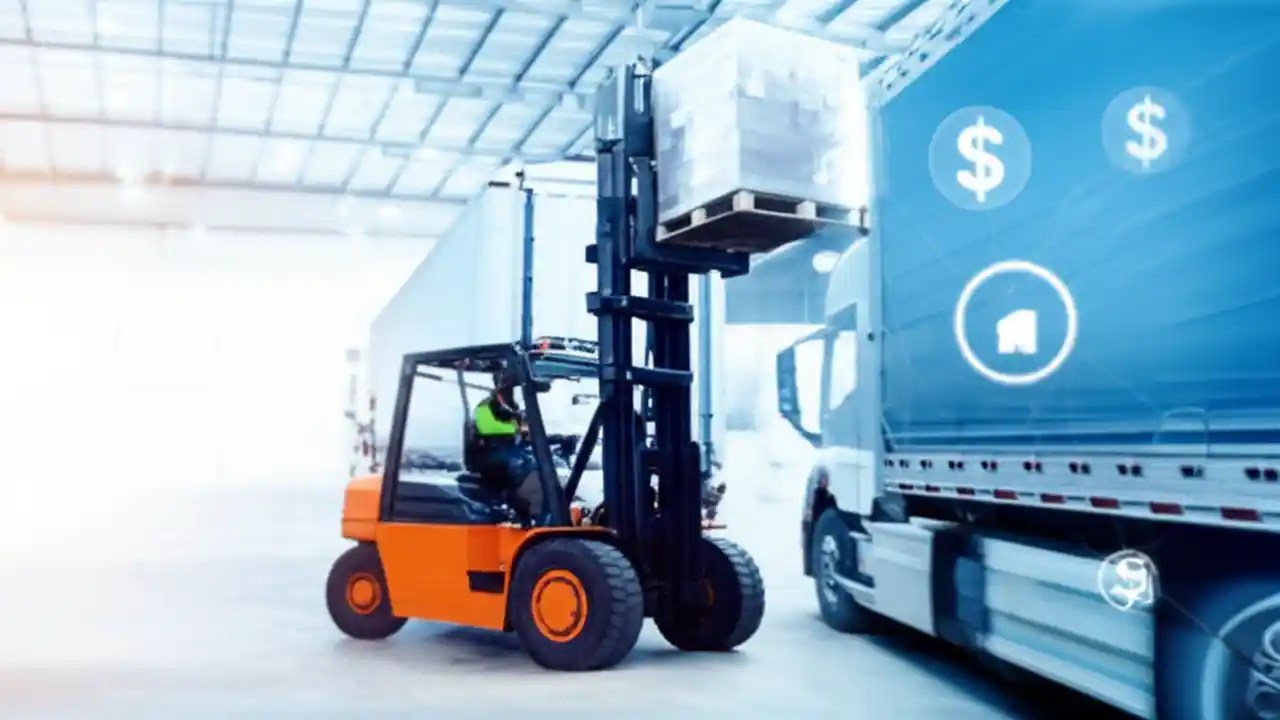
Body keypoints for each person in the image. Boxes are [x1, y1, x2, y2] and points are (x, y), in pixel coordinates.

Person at [472, 372, 543, 524]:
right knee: (517, 468)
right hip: (488, 455)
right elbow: (486, 426)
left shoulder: (513, 407)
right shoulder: (485, 406)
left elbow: (524, 427)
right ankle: (520, 509)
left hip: (509, 451)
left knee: (539, 464)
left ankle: (536, 512)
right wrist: (516, 428)